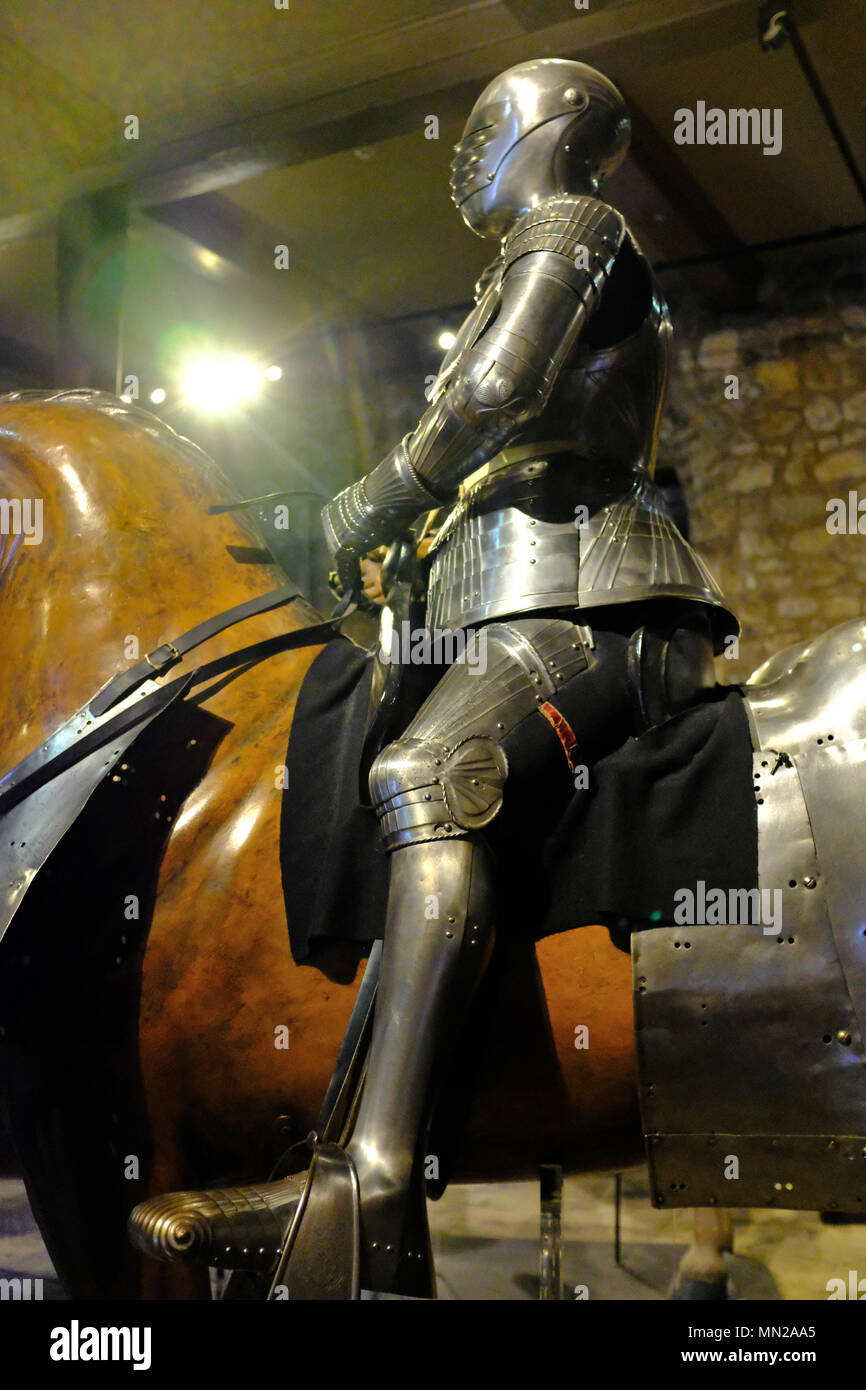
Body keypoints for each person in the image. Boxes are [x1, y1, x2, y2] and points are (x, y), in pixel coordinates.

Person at [129, 57, 741, 1298]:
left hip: (585, 601)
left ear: (546, 125)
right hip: (502, 606)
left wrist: (371, 497)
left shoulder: (570, 224)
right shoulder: (525, 253)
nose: (466, 160)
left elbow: (492, 392)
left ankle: (368, 1175)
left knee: (426, 771)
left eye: (481, 133)